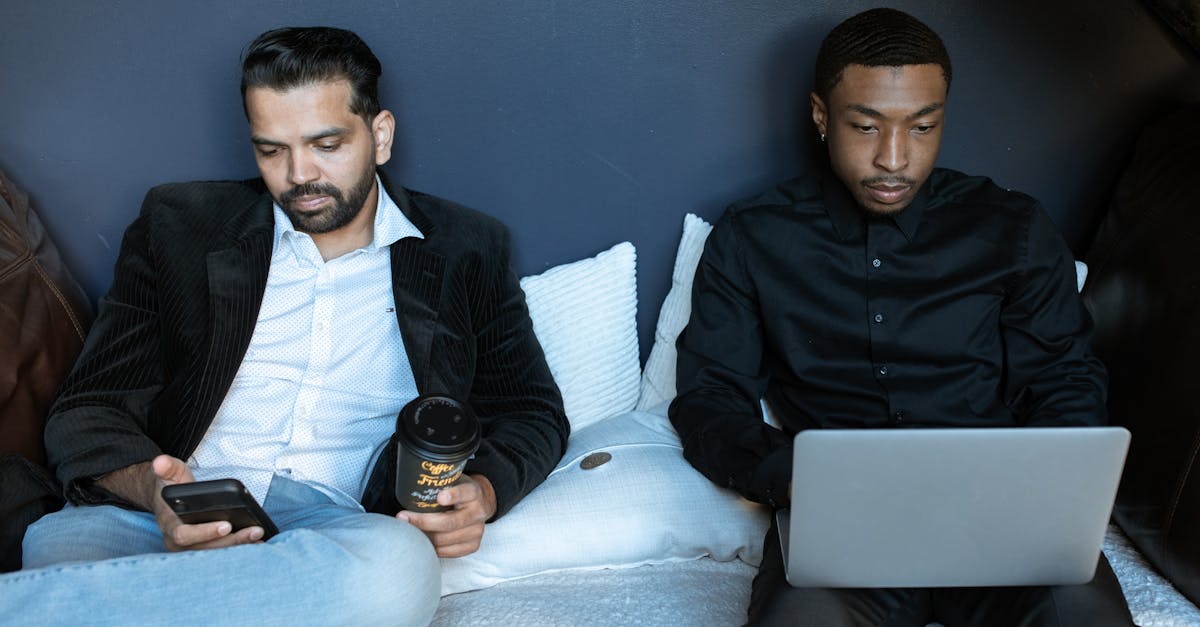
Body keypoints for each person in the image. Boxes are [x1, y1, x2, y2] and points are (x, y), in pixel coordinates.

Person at [1, 26, 568, 626]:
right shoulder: (178, 225)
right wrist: (156, 494)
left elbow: (531, 409)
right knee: (54, 545)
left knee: (398, 566)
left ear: (380, 136)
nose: (299, 176)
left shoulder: (466, 248)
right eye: (272, 150)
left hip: (329, 526)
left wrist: (484, 490)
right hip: (169, 509)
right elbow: (87, 407)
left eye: (326, 144)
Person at [669, 8, 1132, 626]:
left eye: (922, 127)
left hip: (1001, 521)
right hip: (842, 530)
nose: (894, 159)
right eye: (865, 126)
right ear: (820, 115)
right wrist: (795, 479)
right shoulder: (751, 237)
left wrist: (1054, 494)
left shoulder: (1013, 227)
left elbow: (1063, 380)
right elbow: (710, 398)